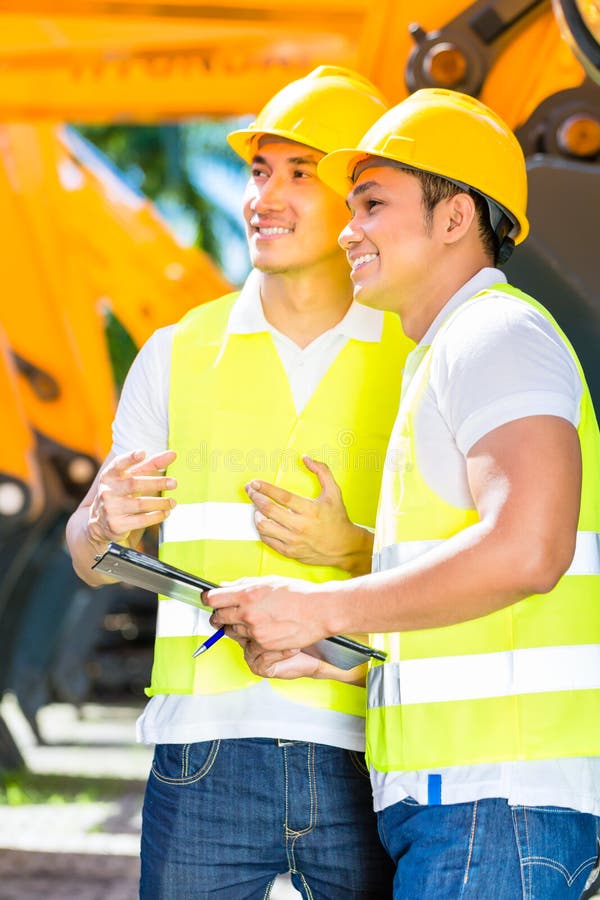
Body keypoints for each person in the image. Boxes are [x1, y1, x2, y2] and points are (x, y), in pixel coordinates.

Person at [209, 88, 600, 899]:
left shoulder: (493, 336)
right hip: (475, 805)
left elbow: (528, 551)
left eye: (373, 203)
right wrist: (346, 655)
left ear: (456, 217)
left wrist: (322, 608)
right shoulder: (449, 353)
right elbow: (479, 603)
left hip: (496, 807)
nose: (347, 228)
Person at [66, 66, 414, 898]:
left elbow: (481, 559)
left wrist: (352, 547)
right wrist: (104, 523)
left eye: (301, 173)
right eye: (261, 172)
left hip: (375, 748)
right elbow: (89, 553)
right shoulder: (176, 352)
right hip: (203, 752)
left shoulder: (419, 357)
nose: (266, 196)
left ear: (361, 200)